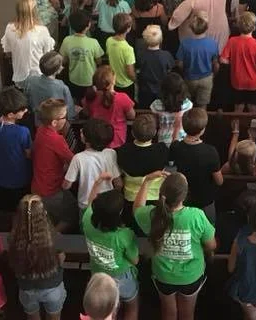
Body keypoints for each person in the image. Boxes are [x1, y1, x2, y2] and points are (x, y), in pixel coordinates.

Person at [134, 172, 216, 320]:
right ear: (184, 196)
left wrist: (146, 181)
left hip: (163, 275)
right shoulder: (196, 216)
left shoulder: (152, 215)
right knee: (187, 314)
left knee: (168, 313)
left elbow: (137, 208)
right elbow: (211, 245)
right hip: (190, 276)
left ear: (161, 193)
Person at [83, 180, 141, 320]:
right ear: (119, 213)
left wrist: (97, 182)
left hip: (99, 275)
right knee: (132, 304)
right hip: (122, 277)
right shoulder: (124, 235)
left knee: (107, 309)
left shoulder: (86, 222)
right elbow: (135, 260)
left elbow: (89, 203)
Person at [9, 195, 68, 320]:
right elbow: (61, 259)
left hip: (26, 287)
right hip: (52, 287)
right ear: (44, 215)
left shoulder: (12, 239)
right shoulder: (54, 239)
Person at [168, 108, 224, 222]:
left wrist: (176, 128)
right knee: (208, 231)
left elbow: (174, 143)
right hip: (205, 201)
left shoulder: (176, 147)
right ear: (202, 130)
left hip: (184, 199)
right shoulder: (210, 151)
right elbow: (219, 181)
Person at [30, 99, 77, 231]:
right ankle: (51, 239)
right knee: (71, 215)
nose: (66, 120)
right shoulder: (56, 139)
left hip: (38, 185)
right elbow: (73, 160)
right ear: (55, 122)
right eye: (64, 117)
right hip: (51, 190)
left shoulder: (40, 130)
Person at [0, 86, 32, 212]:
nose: (26, 110)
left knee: (6, 206)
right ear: (11, 114)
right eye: (22, 110)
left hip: (0, 174)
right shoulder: (22, 132)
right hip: (19, 178)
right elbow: (28, 154)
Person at [64, 117, 122, 210]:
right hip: (107, 203)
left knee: (86, 224)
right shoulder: (111, 153)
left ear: (84, 138)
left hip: (85, 203)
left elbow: (67, 185)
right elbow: (118, 183)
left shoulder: (78, 158)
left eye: (83, 131)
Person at [1, 0, 55, 86]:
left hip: (20, 79)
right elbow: (47, 53)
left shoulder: (9, 28)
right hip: (39, 78)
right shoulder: (42, 30)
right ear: (34, 11)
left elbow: (7, 52)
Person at [222, 12, 256, 113]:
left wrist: (233, 61)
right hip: (254, 82)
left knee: (238, 108)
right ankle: (253, 128)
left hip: (237, 80)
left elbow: (223, 59)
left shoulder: (232, 41)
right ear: (254, 27)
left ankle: (236, 128)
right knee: (253, 109)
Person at [118, 113, 168, 205]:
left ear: (132, 133)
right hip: (155, 197)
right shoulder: (162, 149)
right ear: (155, 132)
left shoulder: (123, 151)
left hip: (130, 198)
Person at [83, 66, 135, 149]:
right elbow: (132, 116)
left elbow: (86, 113)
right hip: (117, 140)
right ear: (113, 81)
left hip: (95, 138)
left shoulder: (89, 97)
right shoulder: (122, 98)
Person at [59, 10, 104, 105]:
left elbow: (63, 60)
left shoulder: (67, 40)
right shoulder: (93, 42)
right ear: (88, 25)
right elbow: (99, 61)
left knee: (75, 100)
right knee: (90, 101)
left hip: (73, 78)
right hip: (90, 80)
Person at [175, 15, 219, 109]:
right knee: (203, 106)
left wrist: (184, 71)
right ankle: (201, 122)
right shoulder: (212, 43)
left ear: (191, 27)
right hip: (206, 77)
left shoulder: (184, 43)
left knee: (186, 105)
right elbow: (216, 64)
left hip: (189, 77)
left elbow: (179, 63)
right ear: (206, 27)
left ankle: (187, 122)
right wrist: (213, 75)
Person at [20, 51, 75, 124]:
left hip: (36, 122)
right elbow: (70, 111)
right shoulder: (62, 87)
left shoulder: (30, 81)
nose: (62, 67)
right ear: (57, 70)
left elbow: (25, 100)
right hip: (55, 125)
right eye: (61, 65)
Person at [137, 25, 175, 111]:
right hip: (162, 91)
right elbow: (171, 69)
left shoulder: (141, 55)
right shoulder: (166, 55)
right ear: (161, 39)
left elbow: (138, 69)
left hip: (145, 91)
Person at [151, 72, 193, 145]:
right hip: (182, 138)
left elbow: (155, 123)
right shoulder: (187, 104)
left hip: (163, 140)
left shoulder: (156, 105)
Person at [106, 14, 137, 98]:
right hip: (126, 84)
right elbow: (130, 72)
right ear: (128, 28)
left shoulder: (109, 40)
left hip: (113, 81)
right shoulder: (128, 49)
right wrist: (136, 80)